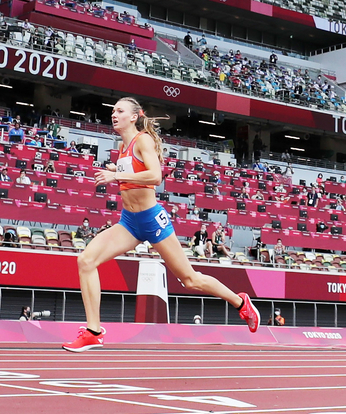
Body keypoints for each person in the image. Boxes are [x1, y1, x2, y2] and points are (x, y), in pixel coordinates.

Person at [68, 97, 259, 352]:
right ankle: (93, 331)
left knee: (190, 280)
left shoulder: (142, 139)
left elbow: (156, 176)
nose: (114, 114)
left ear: (134, 117)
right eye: (112, 110)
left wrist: (115, 174)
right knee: (86, 261)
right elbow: (135, 172)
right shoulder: (123, 147)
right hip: (129, 222)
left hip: (151, 220)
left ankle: (241, 302)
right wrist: (118, 168)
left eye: (120, 111)